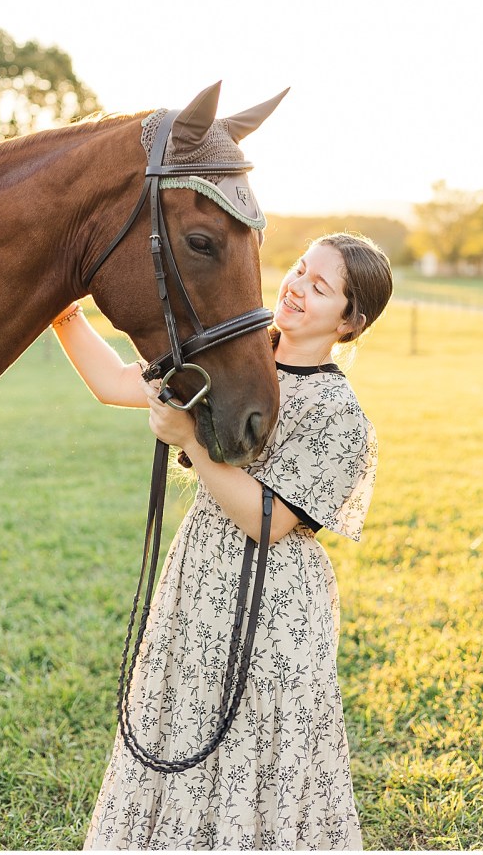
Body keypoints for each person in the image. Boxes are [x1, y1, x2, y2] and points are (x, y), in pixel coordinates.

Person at [52, 232, 393, 851]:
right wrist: (62, 312)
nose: (295, 287)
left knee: (258, 738)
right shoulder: (234, 359)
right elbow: (114, 384)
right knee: (183, 714)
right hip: (200, 571)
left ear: (349, 322)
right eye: (298, 270)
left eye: (320, 287)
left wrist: (188, 439)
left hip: (277, 603)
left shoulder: (340, 415)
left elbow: (268, 522)